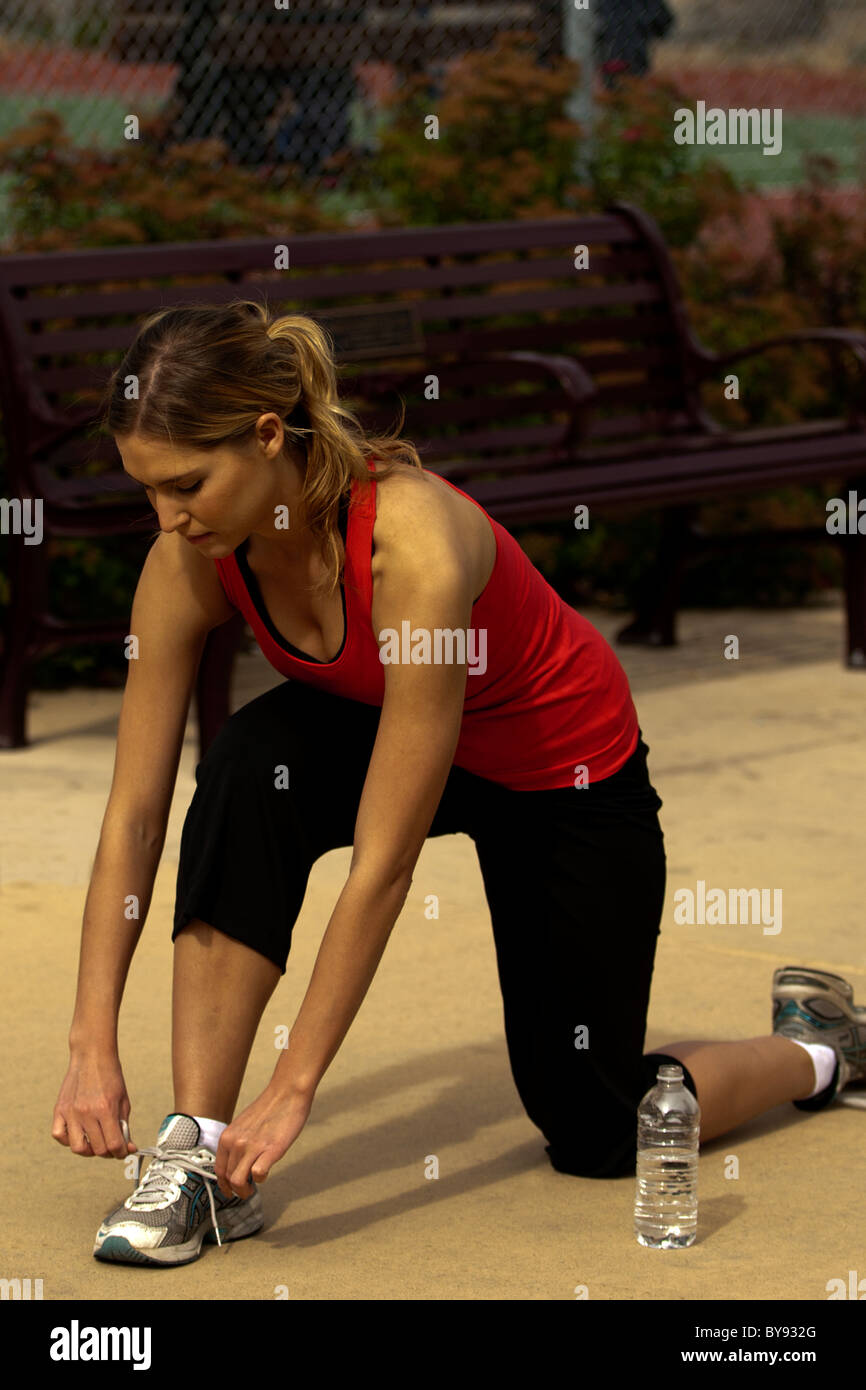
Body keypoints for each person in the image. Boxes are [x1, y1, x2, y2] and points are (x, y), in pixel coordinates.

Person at [51, 300, 866, 1268]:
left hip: (559, 769)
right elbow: (135, 815)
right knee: (243, 773)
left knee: (593, 1121)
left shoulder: (412, 542)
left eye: (185, 484)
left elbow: (384, 862)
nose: (167, 517)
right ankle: (197, 1154)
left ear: (268, 436)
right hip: (392, 719)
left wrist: (297, 1080)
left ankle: (821, 1046)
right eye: (146, 490)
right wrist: (89, 1041)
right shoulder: (186, 558)